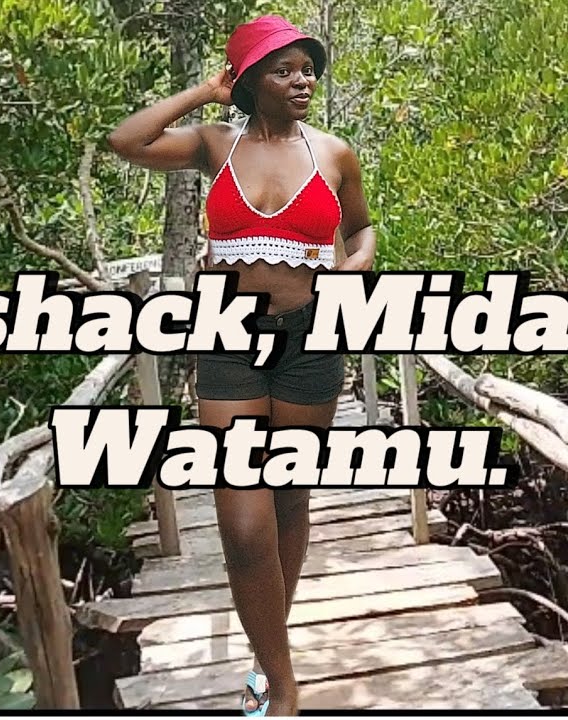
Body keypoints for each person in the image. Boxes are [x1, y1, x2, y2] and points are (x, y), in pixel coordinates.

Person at [106, 14, 376, 717]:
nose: (302, 80)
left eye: (307, 67)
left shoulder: (334, 153)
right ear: (250, 80)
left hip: (311, 338)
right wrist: (203, 92)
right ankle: (284, 687)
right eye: (283, 69)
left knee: (288, 502)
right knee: (243, 528)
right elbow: (125, 141)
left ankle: (267, 664)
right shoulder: (214, 145)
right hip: (227, 338)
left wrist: (354, 269)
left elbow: (363, 228)